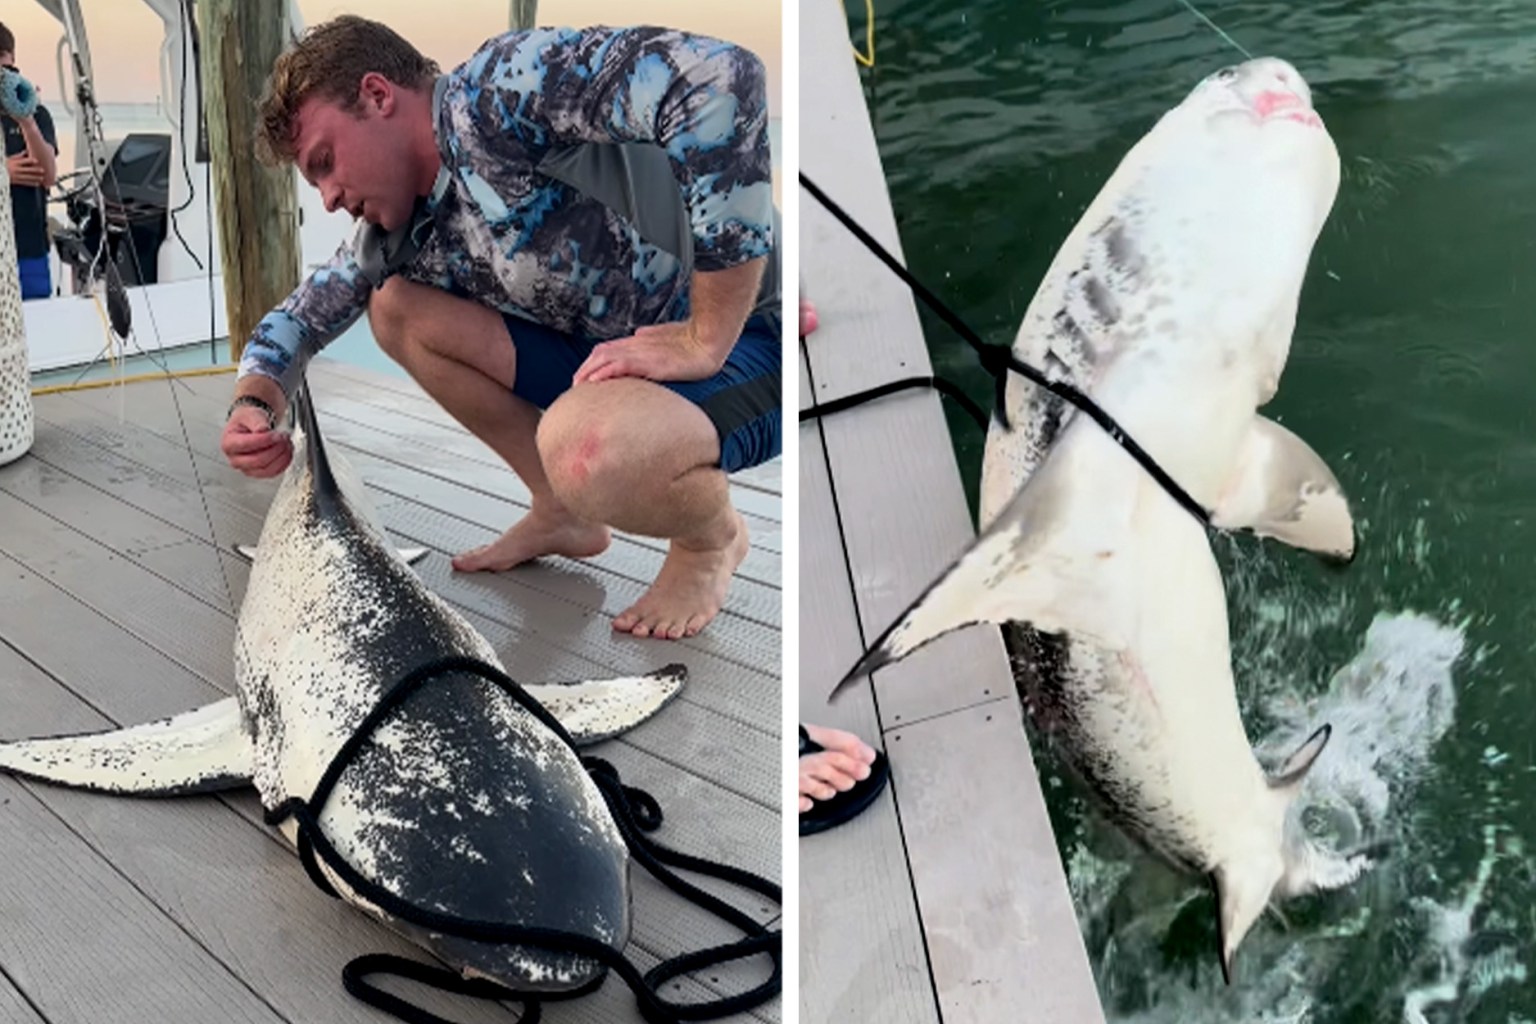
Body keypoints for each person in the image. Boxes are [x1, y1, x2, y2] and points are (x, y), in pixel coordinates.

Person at [221, 16, 781, 641]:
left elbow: (719, 80)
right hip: (619, 354)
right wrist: (255, 401)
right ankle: (561, 511)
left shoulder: (501, 92)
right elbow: (299, 318)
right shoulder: (402, 230)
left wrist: (708, 331)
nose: (327, 197)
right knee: (396, 305)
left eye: (325, 162)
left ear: (378, 97)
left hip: (755, 334)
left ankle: (711, 541)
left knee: (584, 450)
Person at [0, 23, 58, 300]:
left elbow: (47, 176)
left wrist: (26, 120)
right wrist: (4, 173)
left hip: (29, 249)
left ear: (11, 58)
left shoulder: (37, 114)